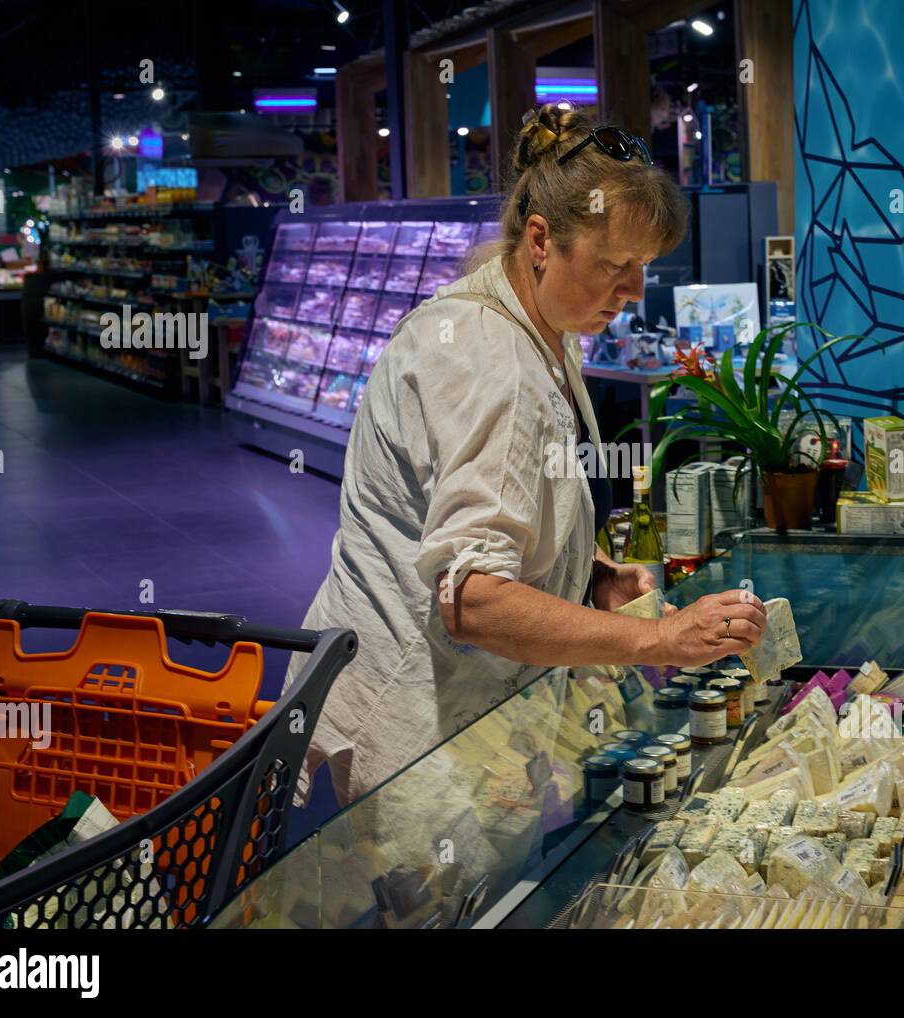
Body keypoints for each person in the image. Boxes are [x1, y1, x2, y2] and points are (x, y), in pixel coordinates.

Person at [286, 104, 768, 806]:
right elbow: (473, 601)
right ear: (541, 240)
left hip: (469, 710)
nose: (633, 293)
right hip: (421, 730)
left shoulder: (540, 318)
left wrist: (589, 576)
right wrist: (658, 638)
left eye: (643, 267)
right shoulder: (491, 363)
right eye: (614, 265)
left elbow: (501, 506)